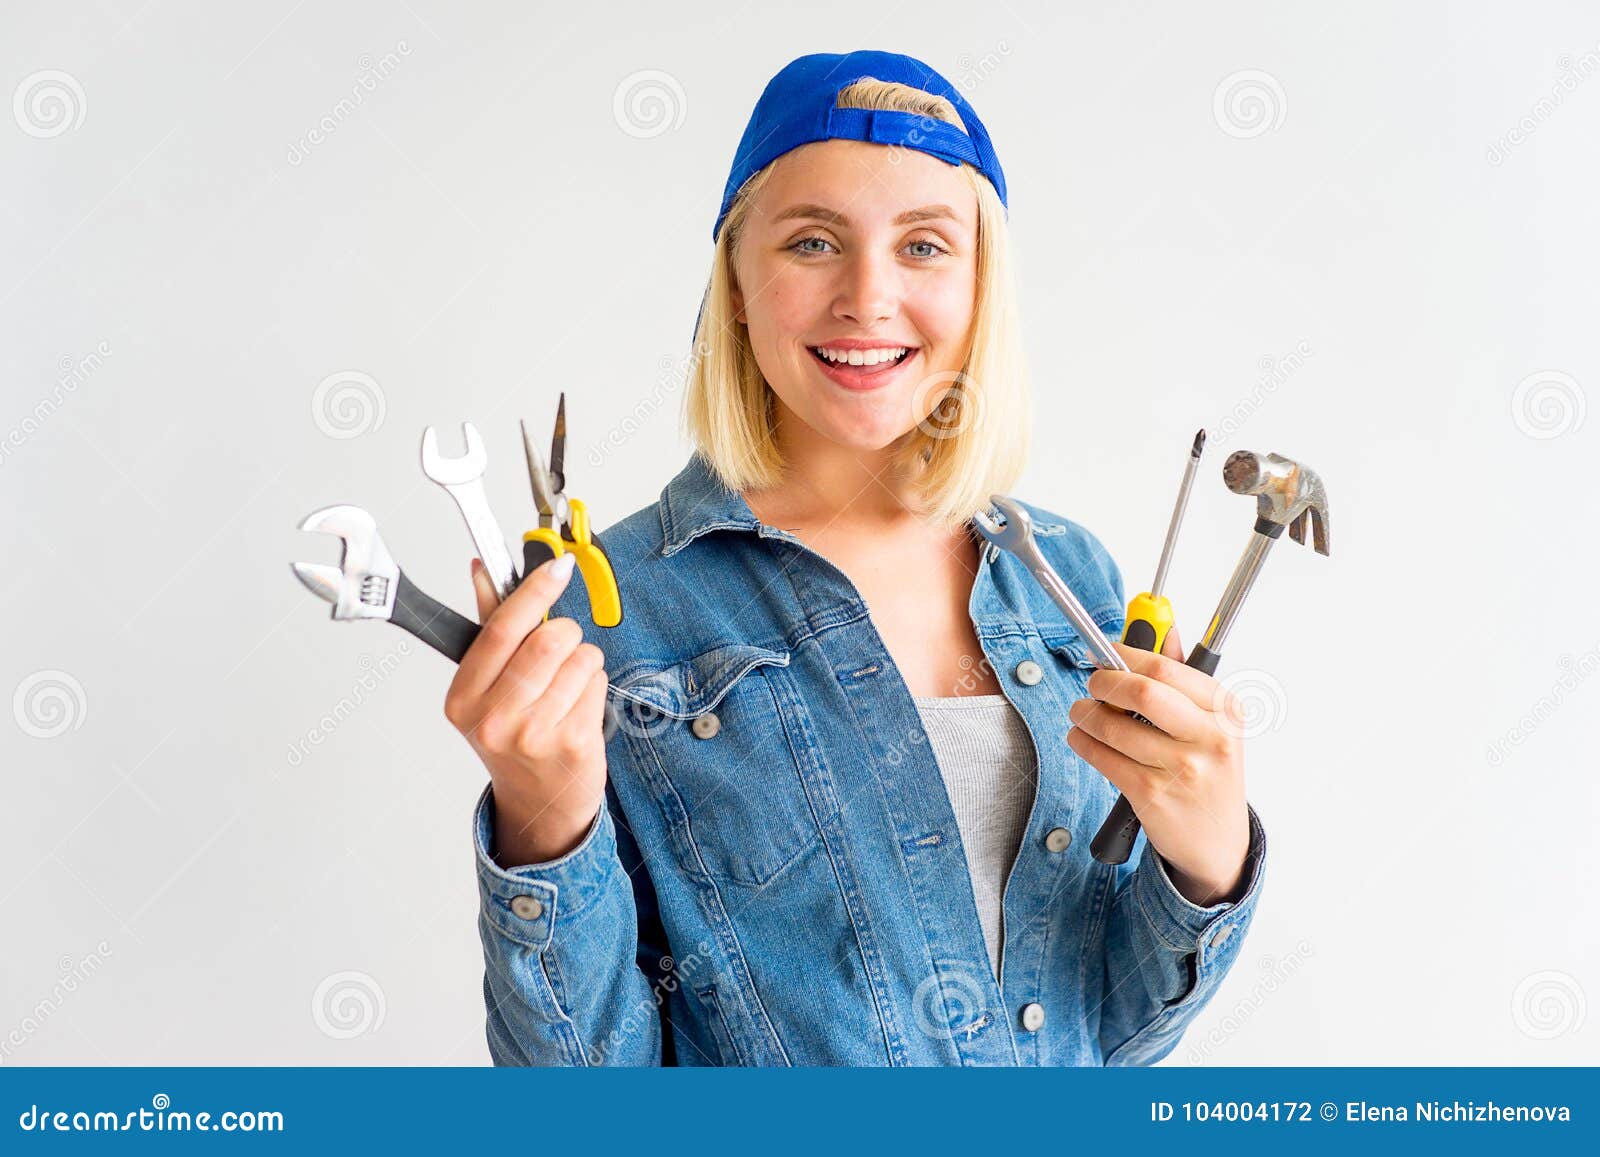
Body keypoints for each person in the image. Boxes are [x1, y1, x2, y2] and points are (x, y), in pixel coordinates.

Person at [447, 49, 1266, 1066]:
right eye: (813, 241)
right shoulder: (611, 616)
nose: (867, 297)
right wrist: (542, 822)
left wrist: (1206, 855)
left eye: (924, 246)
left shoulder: (1072, 579)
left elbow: (1111, 1034)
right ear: (737, 284)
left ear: (979, 291)